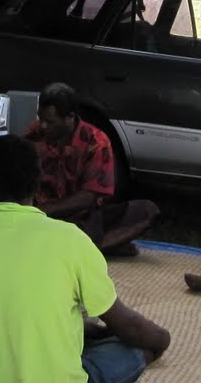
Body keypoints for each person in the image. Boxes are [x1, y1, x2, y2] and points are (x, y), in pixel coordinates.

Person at [0, 136, 170, 383]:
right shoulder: (70, 238)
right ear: (37, 184)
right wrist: (161, 340)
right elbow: (125, 324)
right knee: (133, 348)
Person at [25, 83, 158, 256]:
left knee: (147, 210)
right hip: (42, 217)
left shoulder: (96, 141)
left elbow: (88, 197)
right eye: (40, 119)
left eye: (49, 122)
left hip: (83, 217)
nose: (42, 126)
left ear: (70, 117)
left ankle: (87, 245)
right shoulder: (35, 134)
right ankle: (102, 246)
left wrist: (44, 211)